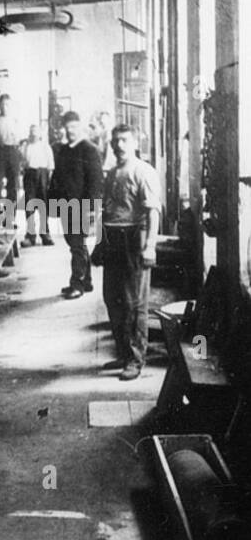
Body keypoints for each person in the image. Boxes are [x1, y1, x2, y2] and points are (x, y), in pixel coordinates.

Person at [99, 125, 161, 381]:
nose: (119, 146)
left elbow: (152, 212)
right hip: (113, 239)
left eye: (124, 140)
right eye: (115, 141)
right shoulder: (112, 173)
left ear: (135, 142)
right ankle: (124, 353)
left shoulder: (143, 171)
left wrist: (150, 247)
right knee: (112, 298)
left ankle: (136, 359)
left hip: (135, 239)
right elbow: (108, 211)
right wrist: (99, 244)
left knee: (134, 304)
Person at [47, 111, 103, 299]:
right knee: (74, 243)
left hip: (81, 205)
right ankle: (86, 281)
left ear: (81, 127)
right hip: (65, 205)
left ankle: (77, 284)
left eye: (74, 127)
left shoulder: (90, 149)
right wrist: (52, 204)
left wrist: (91, 208)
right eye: (68, 127)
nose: (71, 131)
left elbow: (96, 182)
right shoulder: (63, 150)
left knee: (77, 245)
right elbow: (56, 178)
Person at [20, 123, 55, 246]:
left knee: (43, 206)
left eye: (36, 132)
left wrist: (48, 180)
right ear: (29, 134)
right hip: (30, 174)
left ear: (40, 134)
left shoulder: (45, 147)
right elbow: (22, 163)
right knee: (29, 206)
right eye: (32, 132)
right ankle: (30, 236)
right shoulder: (25, 146)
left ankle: (45, 234)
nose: (34, 134)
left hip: (43, 175)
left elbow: (51, 165)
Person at [0, 94, 23, 204]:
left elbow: (20, 139)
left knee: (13, 185)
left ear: (11, 106)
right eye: (3, 104)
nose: (5, 107)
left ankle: (10, 217)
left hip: (13, 152)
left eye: (7, 105)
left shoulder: (15, 121)